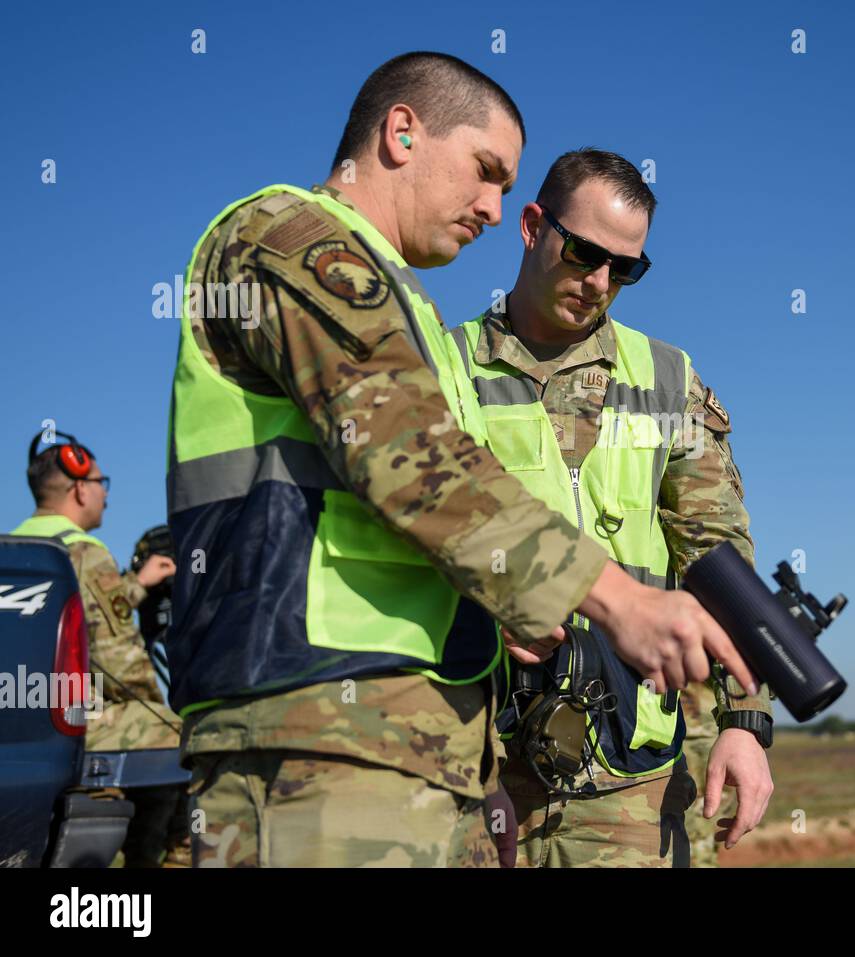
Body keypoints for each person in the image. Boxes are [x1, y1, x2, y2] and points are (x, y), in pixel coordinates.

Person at [165, 52, 754, 868]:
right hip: (316, 740)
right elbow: (409, 454)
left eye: (629, 268)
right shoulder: (290, 239)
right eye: (486, 173)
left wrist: (496, 611)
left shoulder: (409, 308)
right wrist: (614, 598)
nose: (490, 205)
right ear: (401, 132)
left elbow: (400, 521)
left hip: (431, 752)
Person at [449, 149, 774, 867]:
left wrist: (746, 722)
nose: (598, 282)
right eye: (583, 252)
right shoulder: (447, 370)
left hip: (638, 773)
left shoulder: (665, 378)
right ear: (532, 226)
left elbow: (717, 555)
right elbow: (407, 536)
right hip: (482, 772)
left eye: (624, 267)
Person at [12, 432, 188, 867]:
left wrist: (135, 587)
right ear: (78, 488)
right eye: (100, 481)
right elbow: (118, 662)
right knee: (192, 738)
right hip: (79, 721)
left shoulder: (16, 553)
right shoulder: (84, 553)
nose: (105, 494)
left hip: (22, 722)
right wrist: (156, 708)